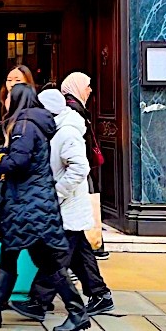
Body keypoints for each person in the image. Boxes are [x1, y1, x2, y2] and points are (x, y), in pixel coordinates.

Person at [0, 84, 91, 331]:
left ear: (18, 99)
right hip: (29, 204)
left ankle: (77, 312)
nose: (6, 100)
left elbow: (16, 163)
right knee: (10, 255)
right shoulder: (32, 123)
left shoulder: (24, 125)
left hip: (29, 206)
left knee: (46, 260)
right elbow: (21, 156)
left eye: (10, 96)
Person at [17, 89, 115, 320]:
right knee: (79, 253)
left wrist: (56, 193)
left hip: (67, 205)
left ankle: (38, 301)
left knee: (56, 255)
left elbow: (80, 168)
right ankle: (100, 295)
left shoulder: (67, 133)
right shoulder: (53, 130)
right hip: (63, 206)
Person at [60, 72, 109, 260]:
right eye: (87, 86)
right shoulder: (74, 109)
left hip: (80, 165)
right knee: (85, 204)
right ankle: (93, 243)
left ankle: (91, 246)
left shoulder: (74, 106)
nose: (90, 90)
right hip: (78, 166)